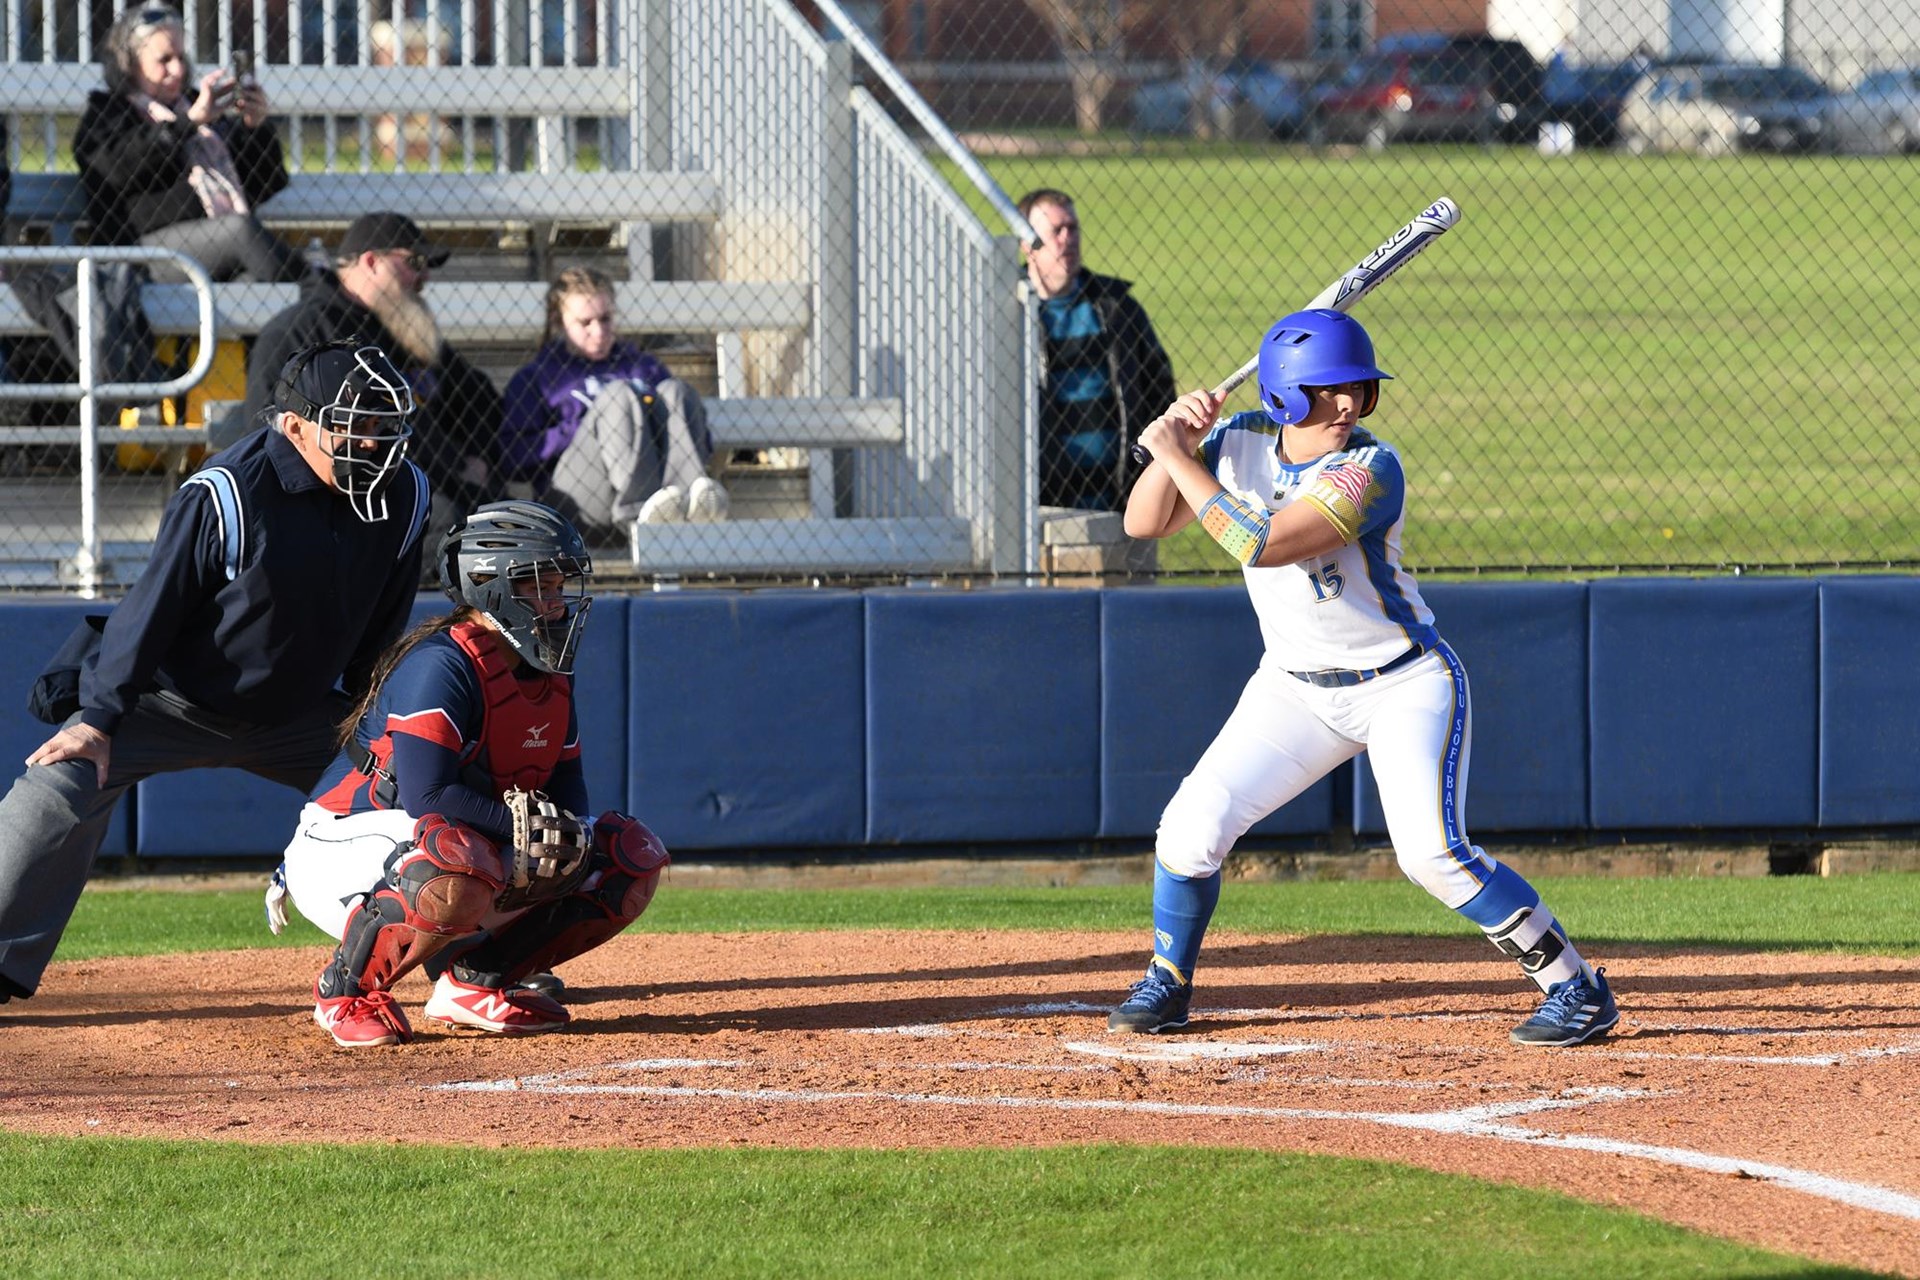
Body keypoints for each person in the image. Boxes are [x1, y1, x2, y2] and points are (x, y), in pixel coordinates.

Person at [1108, 308, 1619, 1047]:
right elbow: (1143, 524)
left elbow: (1263, 543)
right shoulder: (1240, 441)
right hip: (1294, 690)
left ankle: (1575, 986)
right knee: (1188, 832)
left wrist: (1180, 458)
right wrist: (1173, 447)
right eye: (1327, 392)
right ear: (1285, 397)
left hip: (1401, 685)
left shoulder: (1372, 469)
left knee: (1431, 856)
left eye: (1359, 391)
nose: (1348, 406)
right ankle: (1169, 983)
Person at [0, 340, 431, 1002]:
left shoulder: (405, 494)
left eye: (386, 426)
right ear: (295, 426)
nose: (375, 444)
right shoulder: (226, 493)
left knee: (427, 786)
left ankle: (474, 963)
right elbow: (149, 611)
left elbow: (384, 627)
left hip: (299, 714)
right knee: (59, 784)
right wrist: (101, 718)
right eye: (356, 426)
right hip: (167, 701)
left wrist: (377, 732)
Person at [274, 500, 670, 1047]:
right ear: (490, 586)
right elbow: (425, 793)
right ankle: (344, 989)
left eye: (559, 586)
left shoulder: (548, 669)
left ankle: (475, 981)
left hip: (451, 842)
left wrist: (568, 834)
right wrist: (522, 831)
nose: (556, 603)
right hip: (344, 845)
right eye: (539, 586)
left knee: (624, 855)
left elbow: (567, 786)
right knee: (457, 853)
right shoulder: (444, 664)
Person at [240, 211, 502, 538]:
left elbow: (479, 397)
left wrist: (476, 457)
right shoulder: (301, 332)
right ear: (371, 262)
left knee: (498, 514)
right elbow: (269, 437)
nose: (424, 278)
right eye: (415, 262)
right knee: (447, 521)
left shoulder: (399, 327)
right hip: (343, 497)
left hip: (427, 480)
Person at [74, 4, 304, 283]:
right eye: (164, 59)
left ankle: (315, 301)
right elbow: (118, 167)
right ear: (130, 63)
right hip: (143, 258)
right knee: (240, 231)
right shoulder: (108, 112)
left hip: (221, 255)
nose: (178, 69)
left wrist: (254, 127)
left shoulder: (196, 104)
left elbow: (267, 184)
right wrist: (188, 123)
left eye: (181, 57)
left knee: (255, 286)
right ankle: (317, 292)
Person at [500, 266, 727, 539]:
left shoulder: (643, 366)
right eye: (585, 323)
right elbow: (512, 459)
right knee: (620, 395)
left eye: (606, 319)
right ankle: (638, 514)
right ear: (559, 323)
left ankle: (686, 505)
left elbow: (693, 435)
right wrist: (581, 426)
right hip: (579, 502)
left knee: (676, 390)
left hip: (657, 485)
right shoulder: (536, 378)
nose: (599, 331)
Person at [1018, 188, 1175, 512]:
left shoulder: (1117, 308)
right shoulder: (1008, 312)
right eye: (1056, 231)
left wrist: (1152, 471)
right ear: (1026, 244)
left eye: (1073, 228)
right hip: (1041, 505)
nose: (1068, 239)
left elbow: (1159, 389)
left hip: (1126, 499)